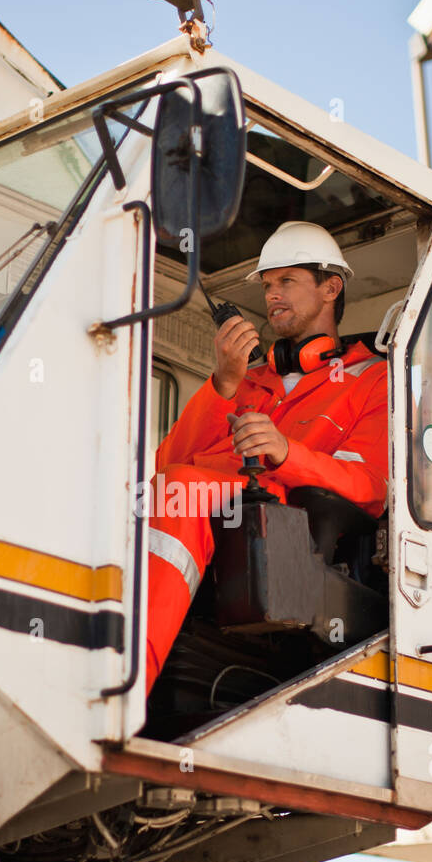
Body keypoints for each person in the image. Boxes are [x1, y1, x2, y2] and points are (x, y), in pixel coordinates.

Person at [144, 220, 388, 693]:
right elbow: (167, 461)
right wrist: (225, 383)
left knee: (180, 489)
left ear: (330, 287)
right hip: (204, 512)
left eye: (286, 281)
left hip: (282, 528)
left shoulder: (371, 379)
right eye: (267, 285)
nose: (272, 295)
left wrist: (285, 452)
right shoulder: (249, 381)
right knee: (151, 486)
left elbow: (371, 485)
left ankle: (126, 672)